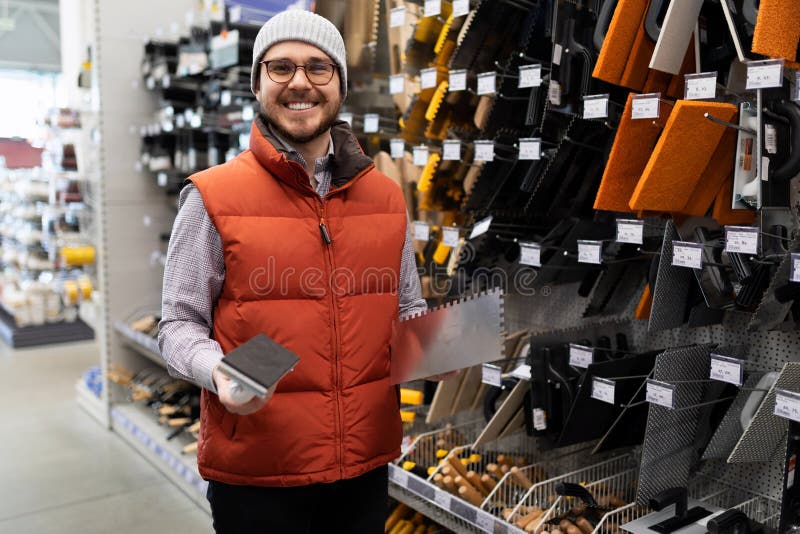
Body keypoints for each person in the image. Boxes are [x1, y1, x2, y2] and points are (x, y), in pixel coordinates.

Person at [159, 9, 435, 533]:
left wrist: (435, 347)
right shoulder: (212, 196)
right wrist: (217, 371)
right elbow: (176, 326)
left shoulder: (385, 196)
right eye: (281, 67)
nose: (300, 83)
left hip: (362, 466)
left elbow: (405, 308)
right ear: (259, 82)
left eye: (318, 67)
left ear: (340, 84)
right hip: (259, 476)